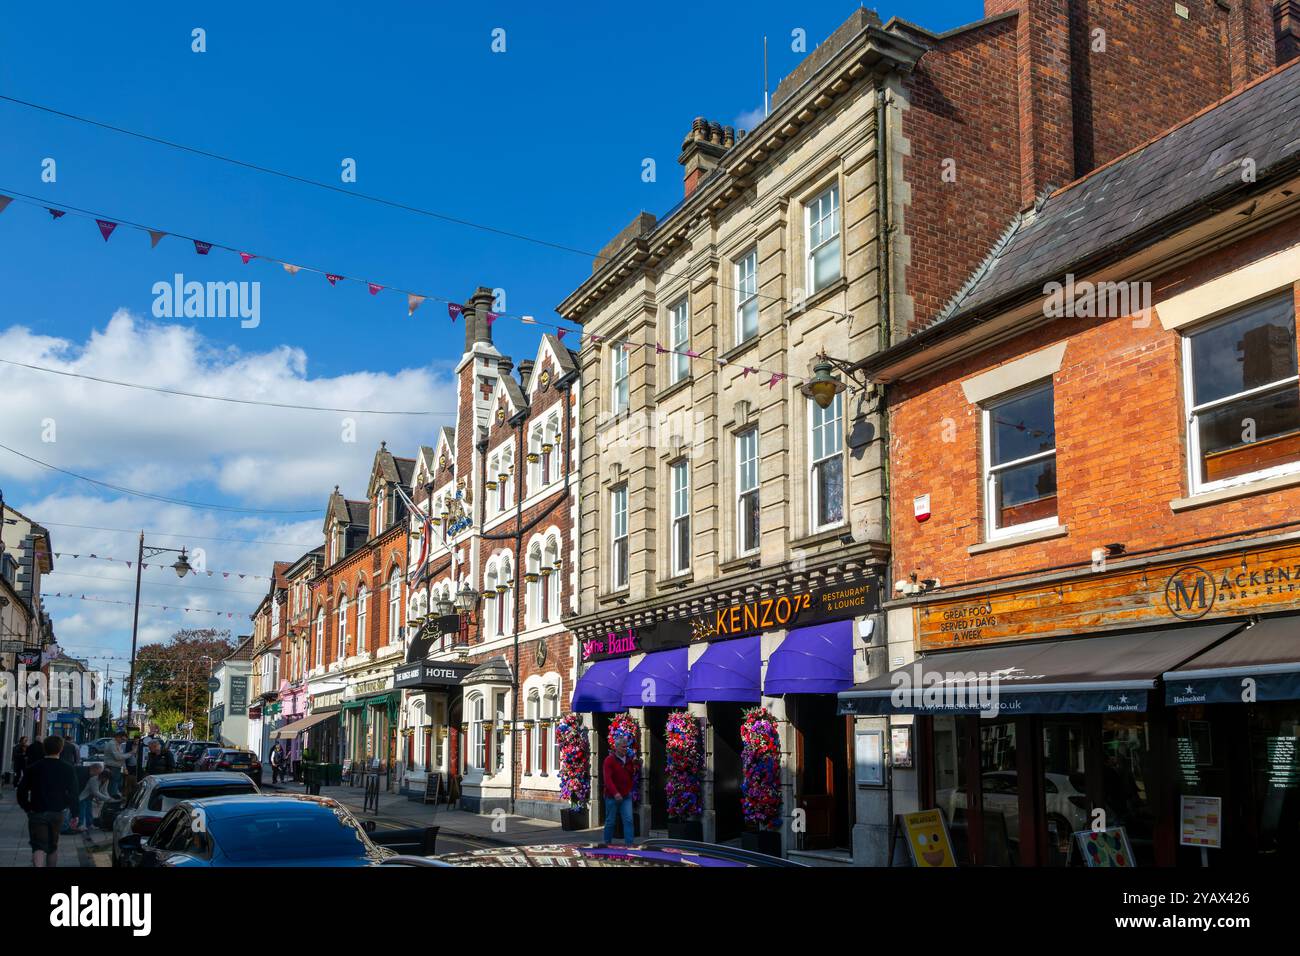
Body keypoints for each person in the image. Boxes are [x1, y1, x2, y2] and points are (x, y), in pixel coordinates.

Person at [16, 735, 79, 867]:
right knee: (52, 846)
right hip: (57, 811)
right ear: (61, 749)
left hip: (37, 810)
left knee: (38, 846)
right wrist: (75, 813)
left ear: (44, 748)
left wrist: (27, 807)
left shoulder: (33, 768)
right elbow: (73, 793)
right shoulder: (67, 768)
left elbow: (21, 791)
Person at [601, 733, 640, 846]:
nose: (625, 749)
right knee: (610, 821)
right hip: (611, 796)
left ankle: (629, 844)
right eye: (623, 747)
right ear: (616, 747)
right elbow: (607, 779)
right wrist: (615, 793)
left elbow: (630, 775)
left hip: (626, 795)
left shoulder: (629, 760)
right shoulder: (609, 760)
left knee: (628, 820)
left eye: (626, 747)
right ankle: (607, 843)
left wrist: (635, 766)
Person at [75, 763, 112, 832]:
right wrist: (107, 799)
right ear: (102, 775)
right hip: (84, 796)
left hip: (90, 796)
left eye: (106, 778)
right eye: (104, 777)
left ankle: (90, 824)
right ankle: (80, 825)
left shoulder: (106, 781)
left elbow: (104, 791)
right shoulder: (94, 779)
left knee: (89, 810)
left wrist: (109, 798)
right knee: (82, 810)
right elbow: (96, 792)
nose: (104, 779)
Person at [100, 732, 128, 798]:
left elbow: (121, 757)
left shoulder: (117, 744)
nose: (123, 741)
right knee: (113, 782)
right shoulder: (112, 744)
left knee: (114, 782)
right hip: (112, 766)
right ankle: (112, 797)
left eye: (125, 740)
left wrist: (124, 767)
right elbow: (118, 757)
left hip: (115, 766)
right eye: (123, 739)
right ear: (118, 737)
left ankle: (112, 795)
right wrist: (131, 753)